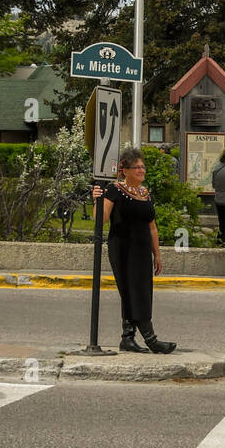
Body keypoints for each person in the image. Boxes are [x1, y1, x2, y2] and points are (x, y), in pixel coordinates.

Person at [91, 147, 175, 354]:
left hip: (142, 249)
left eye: (142, 166)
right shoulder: (114, 190)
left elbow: (152, 226)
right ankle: (151, 339)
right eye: (136, 167)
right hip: (123, 247)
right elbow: (100, 219)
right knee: (132, 291)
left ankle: (127, 338)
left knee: (141, 292)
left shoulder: (145, 193)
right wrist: (97, 199)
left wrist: (157, 254)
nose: (141, 170)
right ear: (124, 170)